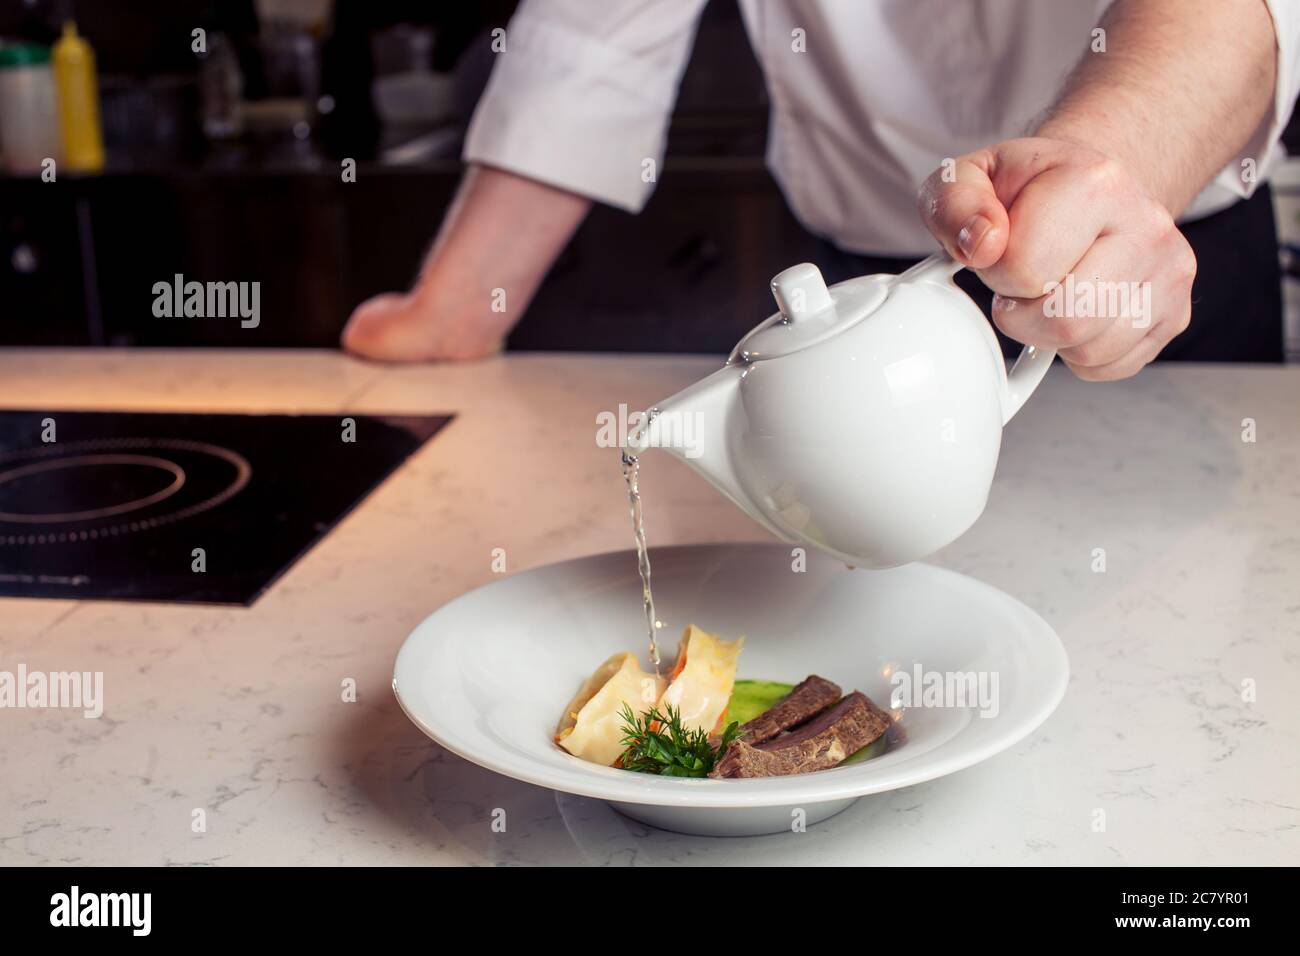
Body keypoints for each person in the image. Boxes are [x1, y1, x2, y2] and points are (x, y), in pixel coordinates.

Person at [341, 0, 1296, 380]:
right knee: (863, 607)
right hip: (861, 282)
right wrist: (457, 307)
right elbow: (595, 29)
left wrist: (1100, 170)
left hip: (1153, 260)